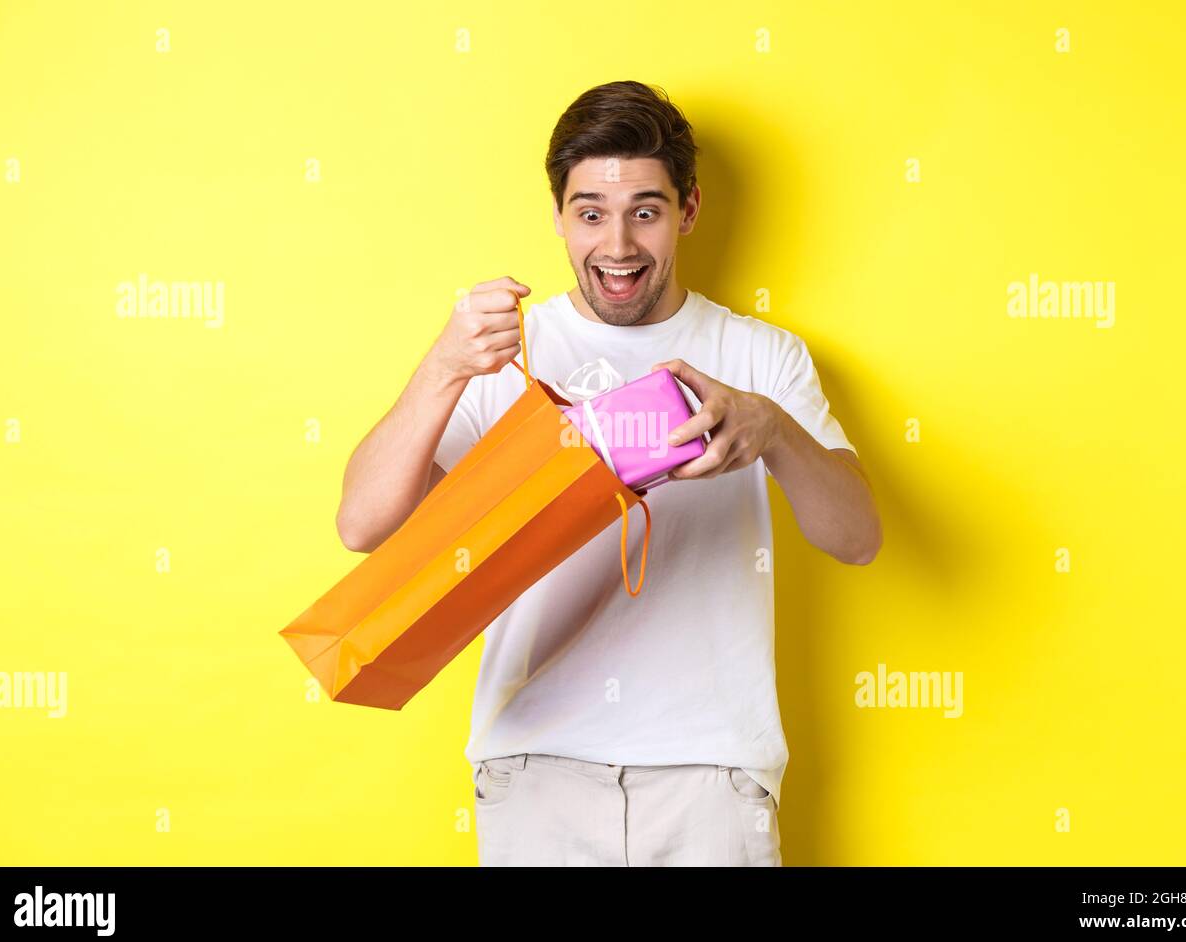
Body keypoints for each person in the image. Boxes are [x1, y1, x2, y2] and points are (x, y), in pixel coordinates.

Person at [334, 80, 882, 866]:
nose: (618, 246)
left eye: (646, 212)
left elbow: (858, 538)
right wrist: (445, 364)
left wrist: (773, 432)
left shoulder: (763, 356)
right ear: (559, 215)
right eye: (591, 213)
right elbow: (362, 524)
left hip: (712, 772)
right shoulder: (502, 358)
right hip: (534, 768)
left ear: (687, 211)